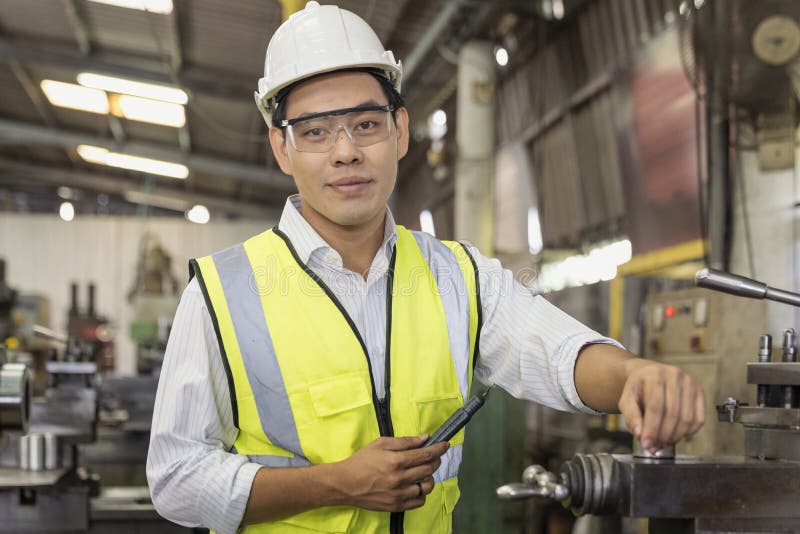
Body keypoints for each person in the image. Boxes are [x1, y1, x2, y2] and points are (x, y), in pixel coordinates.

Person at [146, 2, 705, 533]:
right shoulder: (222, 293)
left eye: (366, 124)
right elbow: (175, 479)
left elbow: (558, 355)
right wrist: (335, 484)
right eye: (315, 131)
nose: (345, 151)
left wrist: (634, 376)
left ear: (400, 130)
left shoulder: (458, 276)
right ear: (281, 148)